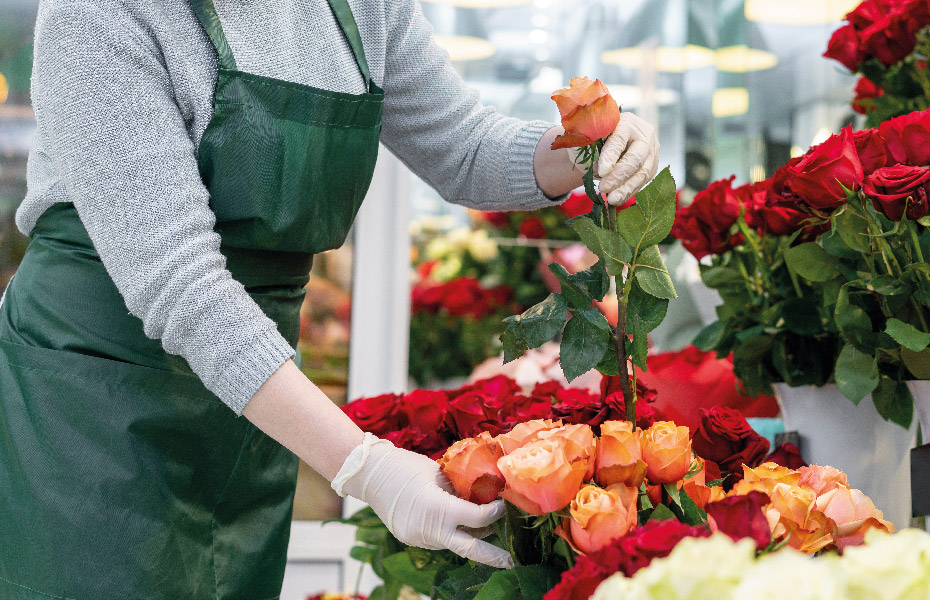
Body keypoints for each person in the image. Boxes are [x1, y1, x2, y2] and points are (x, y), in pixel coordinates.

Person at [0, 0, 660, 598]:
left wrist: (587, 150)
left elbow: (462, 147)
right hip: (93, 397)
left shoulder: (362, 9)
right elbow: (181, 282)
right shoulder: (99, 14)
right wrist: (365, 466)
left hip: (249, 396)